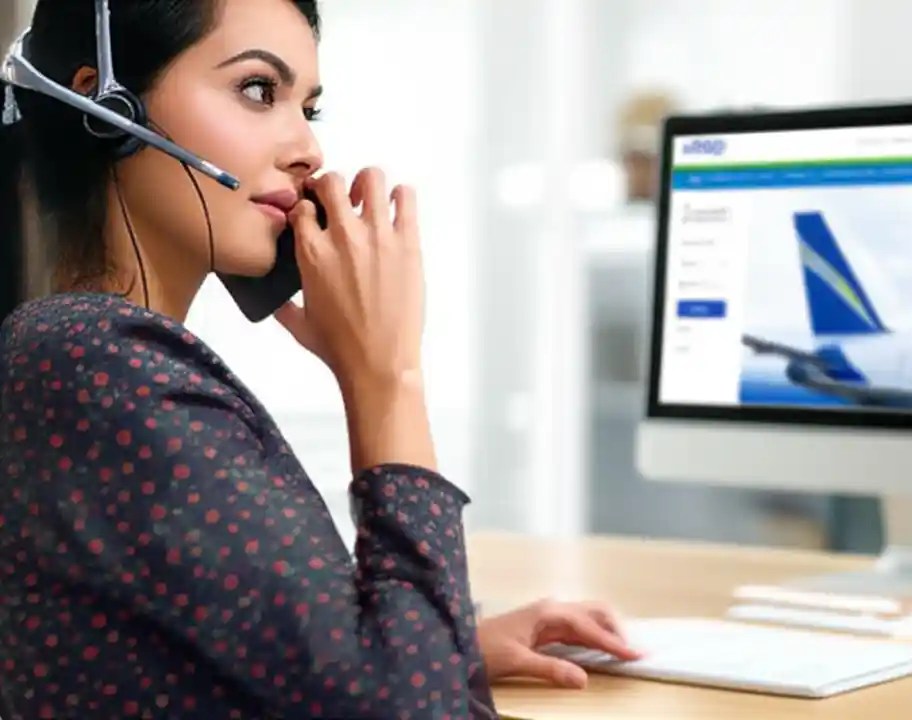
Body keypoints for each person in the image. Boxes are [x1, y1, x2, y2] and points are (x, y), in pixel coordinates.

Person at [0, 1, 641, 718]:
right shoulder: (97, 365)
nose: (307, 148)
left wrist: (447, 646)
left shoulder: (90, 355)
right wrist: (387, 376)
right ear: (105, 104)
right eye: (257, 90)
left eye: (309, 108)